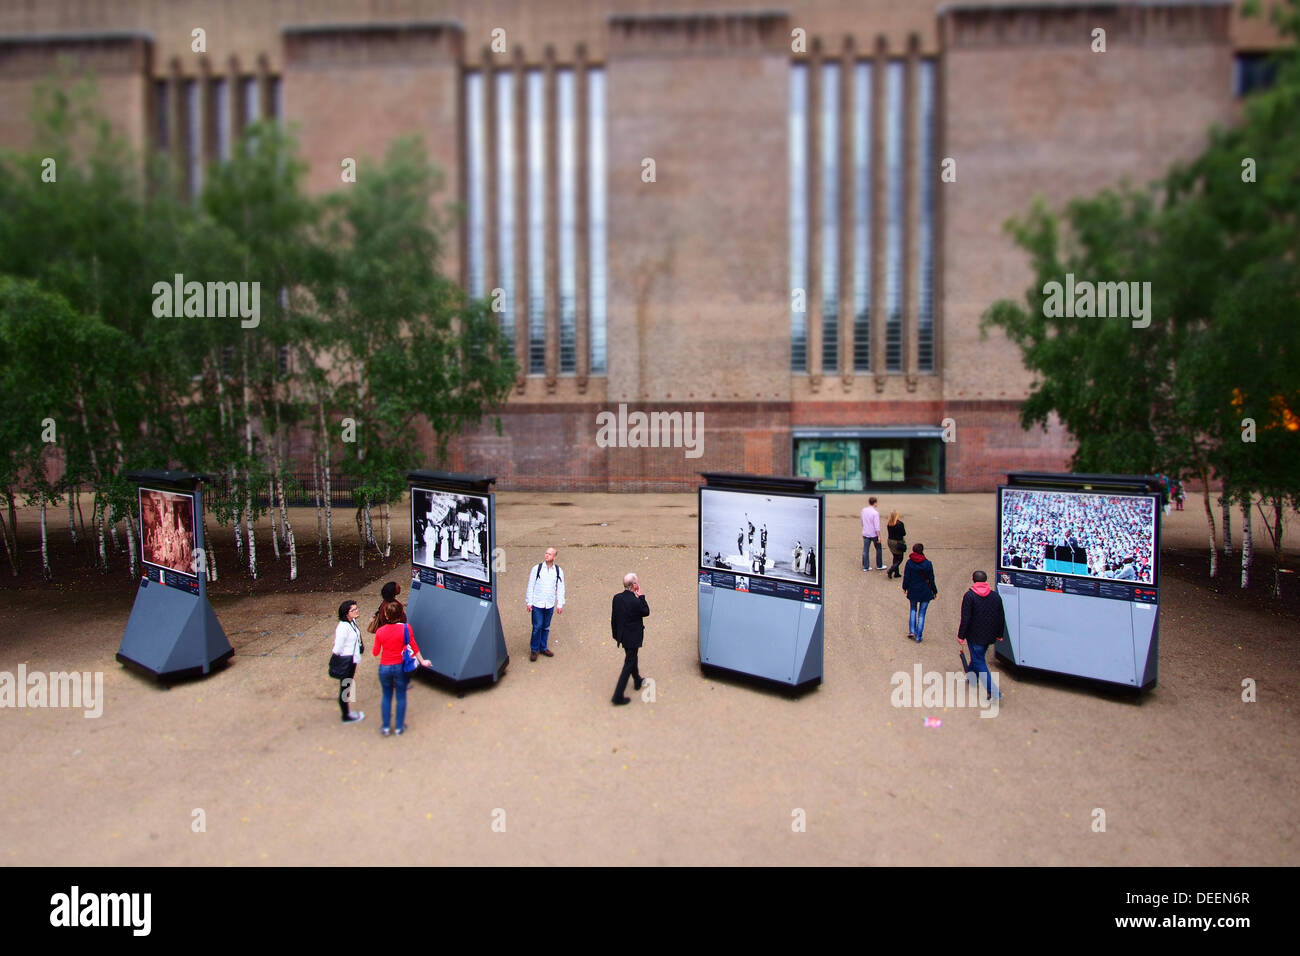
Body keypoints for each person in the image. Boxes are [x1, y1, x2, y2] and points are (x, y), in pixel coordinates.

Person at [371, 601, 431, 737]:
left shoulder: (380, 632)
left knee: (386, 696)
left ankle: (386, 727)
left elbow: (375, 652)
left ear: (386, 615)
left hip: (385, 667)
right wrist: (422, 661)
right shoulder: (406, 628)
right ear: (401, 614)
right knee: (401, 696)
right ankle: (399, 727)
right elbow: (414, 646)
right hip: (400, 667)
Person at [957, 570, 1005, 699]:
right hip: (989, 635)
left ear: (973, 580)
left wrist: (961, 635)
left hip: (974, 635)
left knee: (979, 661)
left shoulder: (970, 596)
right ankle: (972, 677)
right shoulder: (995, 596)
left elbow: (965, 618)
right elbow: (1001, 617)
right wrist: (999, 633)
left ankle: (994, 692)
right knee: (977, 657)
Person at [610, 572, 650, 705]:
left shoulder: (617, 598)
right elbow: (646, 612)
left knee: (632, 657)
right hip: (633, 637)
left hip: (623, 636)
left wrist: (615, 634)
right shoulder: (636, 601)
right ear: (634, 585)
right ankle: (618, 695)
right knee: (629, 663)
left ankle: (637, 680)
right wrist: (642, 596)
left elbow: (614, 619)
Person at [525, 547, 566, 661]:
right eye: (546, 553)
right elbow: (531, 585)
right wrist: (529, 601)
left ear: (554, 557)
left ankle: (543, 647)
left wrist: (560, 604)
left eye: (549, 554)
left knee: (546, 627)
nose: (547, 555)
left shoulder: (558, 571)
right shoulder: (537, 569)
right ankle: (534, 649)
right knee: (537, 626)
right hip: (537, 603)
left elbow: (560, 587)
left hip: (549, 603)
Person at [332, 600, 365, 724]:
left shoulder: (352, 622)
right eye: (353, 610)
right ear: (346, 613)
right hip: (346, 660)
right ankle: (346, 715)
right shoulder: (343, 628)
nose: (357, 611)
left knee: (348, 685)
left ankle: (348, 711)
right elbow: (338, 647)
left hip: (352, 659)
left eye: (357, 608)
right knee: (345, 686)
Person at [901, 542, 938, 643]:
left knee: (913, 609)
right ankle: (918, 636)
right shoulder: (928, 564)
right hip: (925, 591)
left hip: (913, 589)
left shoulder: (909, 563)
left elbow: (906, 577)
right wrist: (935, 591)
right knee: (922, 614)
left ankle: (912, 630)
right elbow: (931, 579)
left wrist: (904, 587)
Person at [861, 496, 884, 571]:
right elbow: (877, 526)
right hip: (873, 534)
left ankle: (866, 566)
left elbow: (862, 521)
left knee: (865, 550)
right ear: (875, 503)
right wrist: (879, 536)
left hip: (866, 532)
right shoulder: (875, 513)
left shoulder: (864, 510)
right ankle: (879, 565)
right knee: (878, 549)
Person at [886, 511, 907, 578]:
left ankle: (896, 573)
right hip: (898, 542)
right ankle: (891, 569)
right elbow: (903, 533)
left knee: (895, 556)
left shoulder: (889, 523)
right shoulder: (900, 524)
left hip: (890, 541)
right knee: (900, 558)